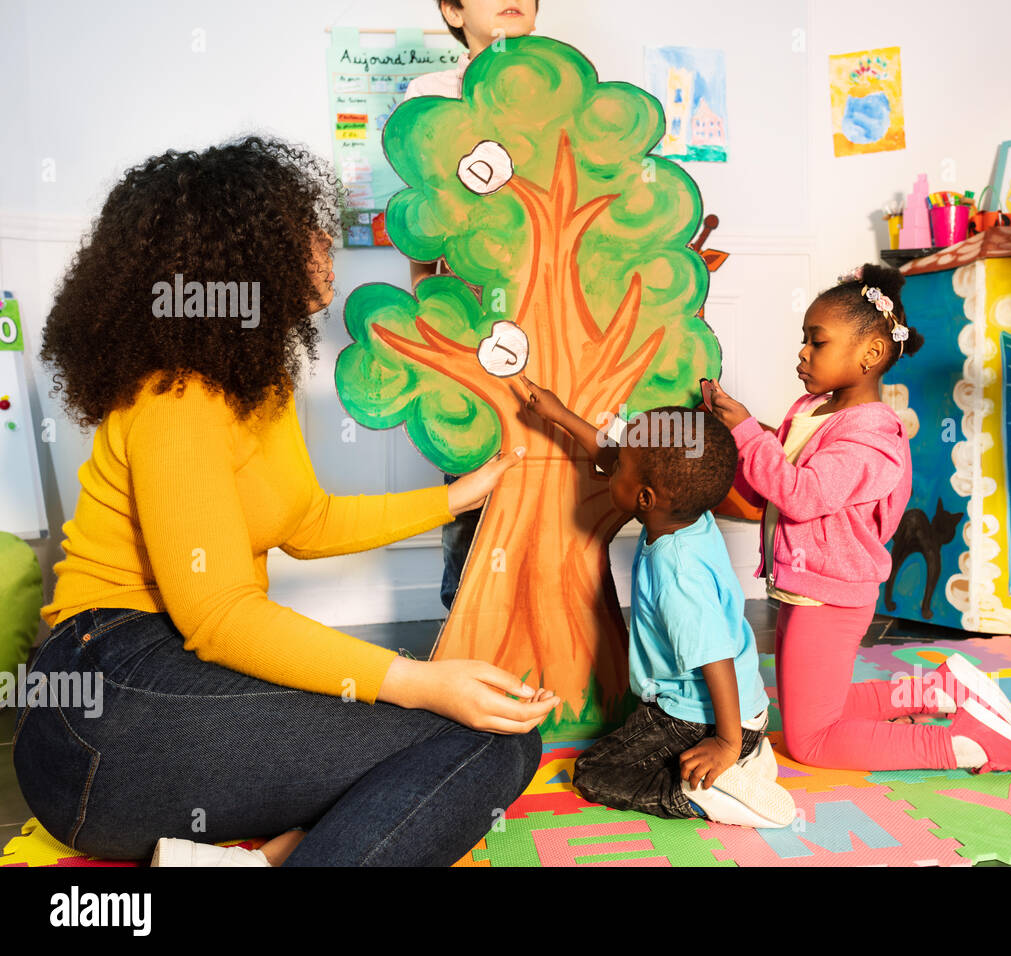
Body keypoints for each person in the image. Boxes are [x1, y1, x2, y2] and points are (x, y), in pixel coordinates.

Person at [18, 136, 560, 867]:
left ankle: (257, 861)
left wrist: (457, 497)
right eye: (304, 234)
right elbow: (218, 615)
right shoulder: (179, 396)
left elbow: (305, 522)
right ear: (242, 258)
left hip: (163, 683)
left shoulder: (254, 379)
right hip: (102, 710)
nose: (326, 251)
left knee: (478, 738)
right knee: (478, 735)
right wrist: (422, 681)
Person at [708, 263, 1011, 775]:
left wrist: (747, 432)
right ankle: (942, 690)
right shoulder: (813, 408)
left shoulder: (872, 435)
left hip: (831, 593)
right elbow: (775, 486)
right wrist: (733, 440)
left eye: (817, 341)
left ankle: (967, 745)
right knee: (811, 715)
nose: (803, 353)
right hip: (805, 585)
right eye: (804, 340)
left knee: (810, 743)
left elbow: (802, 495)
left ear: (871, 354)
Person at [518, 376, 795, 827]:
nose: (612, 463)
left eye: (622, 463)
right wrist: (559, 414)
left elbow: (715, 658)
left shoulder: (677, 571)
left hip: (706, 721)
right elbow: (612, 457)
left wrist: (724, 741)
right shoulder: (686, 508)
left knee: (594, 772)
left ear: (645, 497)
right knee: (630, 740)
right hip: (739, 711)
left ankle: (710, 792)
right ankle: (746, 758)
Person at [404, 0, 541, 612]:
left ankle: (544, 613)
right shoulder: (432, 93)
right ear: (453, 10)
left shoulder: (562, 83)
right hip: (466, 307)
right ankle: (465, 611)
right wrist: (426, 305)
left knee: (548, 454)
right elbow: (421, 209)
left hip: (547, 304)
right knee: (470, 453)